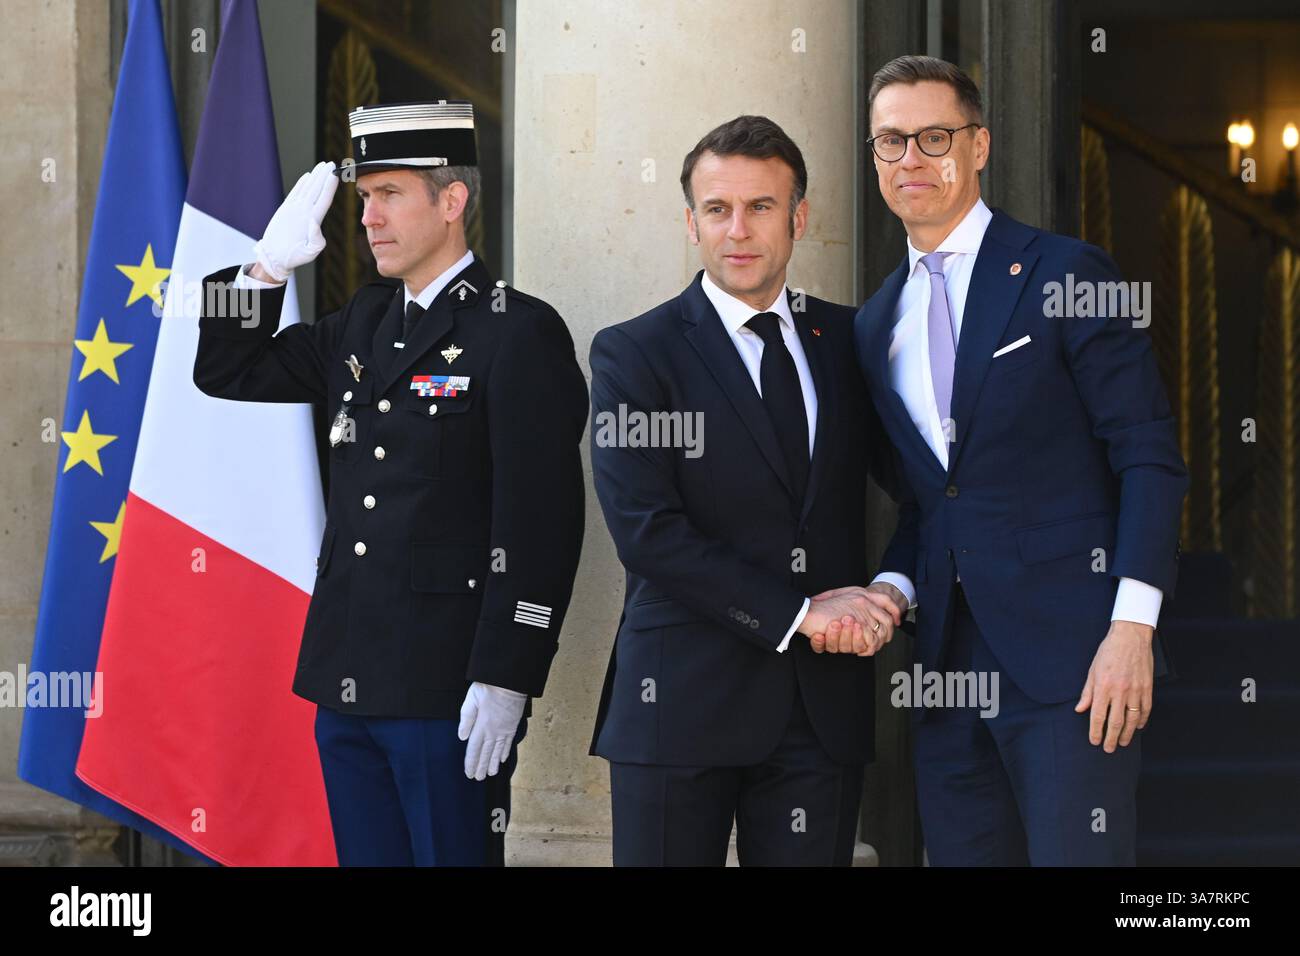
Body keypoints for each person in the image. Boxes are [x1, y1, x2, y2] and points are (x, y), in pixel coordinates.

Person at [193, 100, 587, 866]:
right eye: (364, 196)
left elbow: (541, 525)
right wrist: (262, 269)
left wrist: (508, 673)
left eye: (389, 194)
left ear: (451, 201)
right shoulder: (365, 321)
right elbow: (225, 370)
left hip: (447, 691)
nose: (368, 216)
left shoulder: (516, 332)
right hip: (348, 678)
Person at [852, 56, 1188, 865]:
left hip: (1076, 663)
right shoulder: (875, 325)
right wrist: (888, 590)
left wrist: (1131, 630)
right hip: (945, 677)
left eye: (935, 137)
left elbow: (1148, 456)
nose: (911, 160)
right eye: (890, 142)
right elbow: (933, 502)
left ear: (980, 146)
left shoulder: (1065, 273)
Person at [588, 115, 903, 866]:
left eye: (761, 207)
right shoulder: (635, 353)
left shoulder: (848, 342)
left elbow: (925, 488)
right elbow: (647, 531)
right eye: (718, 209)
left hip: (819, 712)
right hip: (679, 705)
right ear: (690, 223)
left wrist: (890, 591)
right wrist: (798, 613)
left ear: (798, 218)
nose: (739, 229)